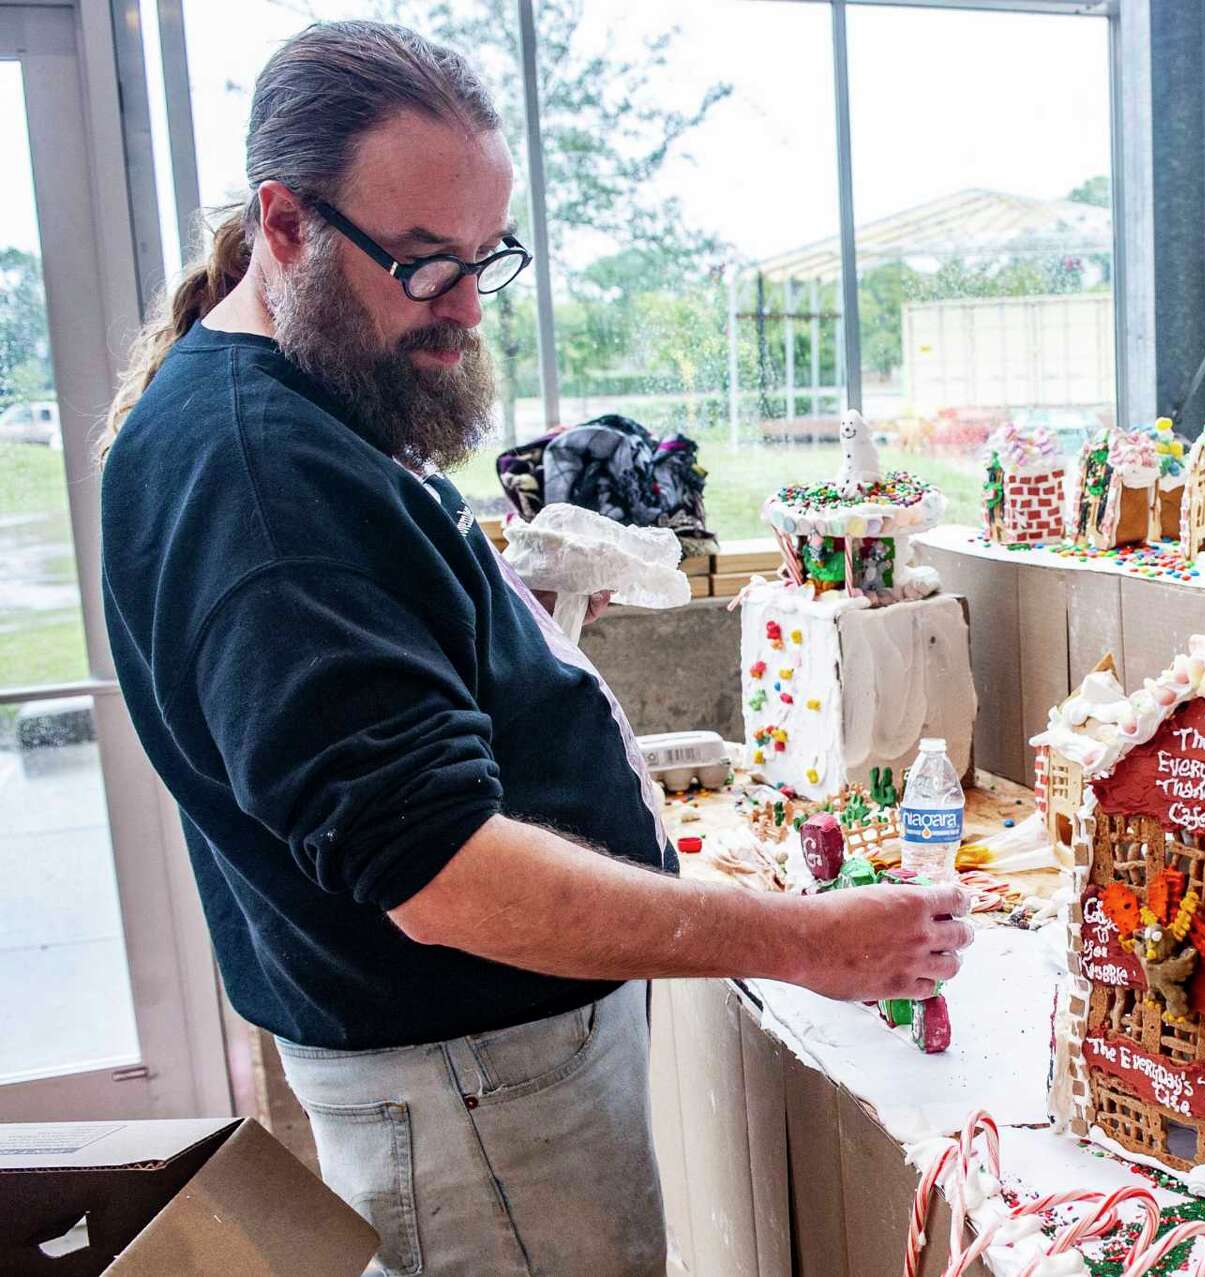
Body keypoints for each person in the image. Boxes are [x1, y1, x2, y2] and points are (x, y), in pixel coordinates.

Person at [98, 21, 968, 1276]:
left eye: (485, 259)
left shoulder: (285, 410)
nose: (461, 309)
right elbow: (443, 871)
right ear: (284, 225)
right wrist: (800, 938)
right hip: (475, 1098)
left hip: (476, 1083)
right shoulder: (261, 477)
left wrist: (515, 640)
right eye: (418, 264)